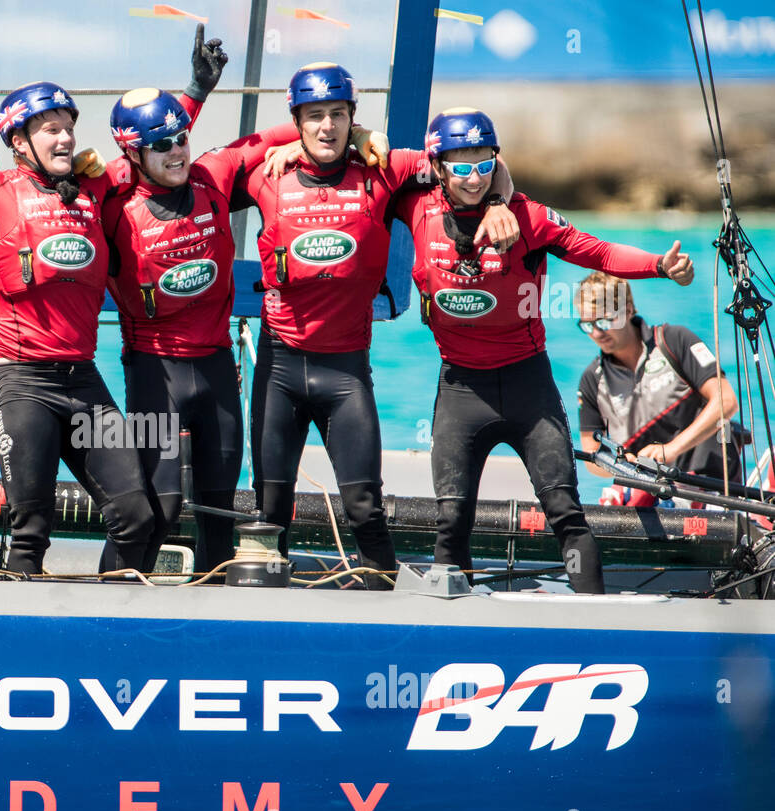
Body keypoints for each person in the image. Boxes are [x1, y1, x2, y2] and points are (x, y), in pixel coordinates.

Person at [0, 30, 229, 576]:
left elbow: (155, 140)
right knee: (30, 527)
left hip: (83, 383)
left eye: (68, 128)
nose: (63, 139)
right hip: (22, 382)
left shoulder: (96, 188)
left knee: (139, 515)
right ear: (18, 141)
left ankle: (108, 627)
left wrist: (195, 90)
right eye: (48, 129)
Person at [392, 108, 694, 592]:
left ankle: (591, 624)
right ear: (439, 167)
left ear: (497, 161)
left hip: (527, 385)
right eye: (461, 167)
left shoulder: (527, 217)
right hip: (460, 388)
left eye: (483, 164)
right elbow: (355, 171)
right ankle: (453, 622)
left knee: (565, 512)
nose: (473, 178)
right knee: (451, 517)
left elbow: (596, 251)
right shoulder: (416, 206)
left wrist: (659, 264)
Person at [244, 65, 519, 587]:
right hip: (278, 364)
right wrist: (277, 143)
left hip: (345, 371)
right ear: (297, 122)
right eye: (315, 116)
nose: (327, 127)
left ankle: (381, 614)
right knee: (269, 507)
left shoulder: (385, 169)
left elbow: (480, 163)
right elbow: (183, 174)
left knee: (364, 507)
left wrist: (502, 203)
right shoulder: (265, 173)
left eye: (339, 115)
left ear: (353, 119)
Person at [95, 89, 387, 573]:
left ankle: (214, 622)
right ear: (132, 153)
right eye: (161, 145)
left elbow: (279, 131)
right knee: (159, 509)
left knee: (223, 511)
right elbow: (64, 181)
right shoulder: (115, 205)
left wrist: (348, 134)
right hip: (154, 370)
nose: (177, 152)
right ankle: (110, 611)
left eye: (181, 138)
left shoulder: (215, 172)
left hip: (215, 366)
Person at [575, 271, 740, 502]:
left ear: (629, 309)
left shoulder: (675, 341)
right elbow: (592, 453)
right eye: (587, 325)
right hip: (646, 488)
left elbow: (726, 401)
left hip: (708, 485)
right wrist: (621, 464)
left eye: (605, 321)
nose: (596, 333)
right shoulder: (592, 379)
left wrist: (671, 449)